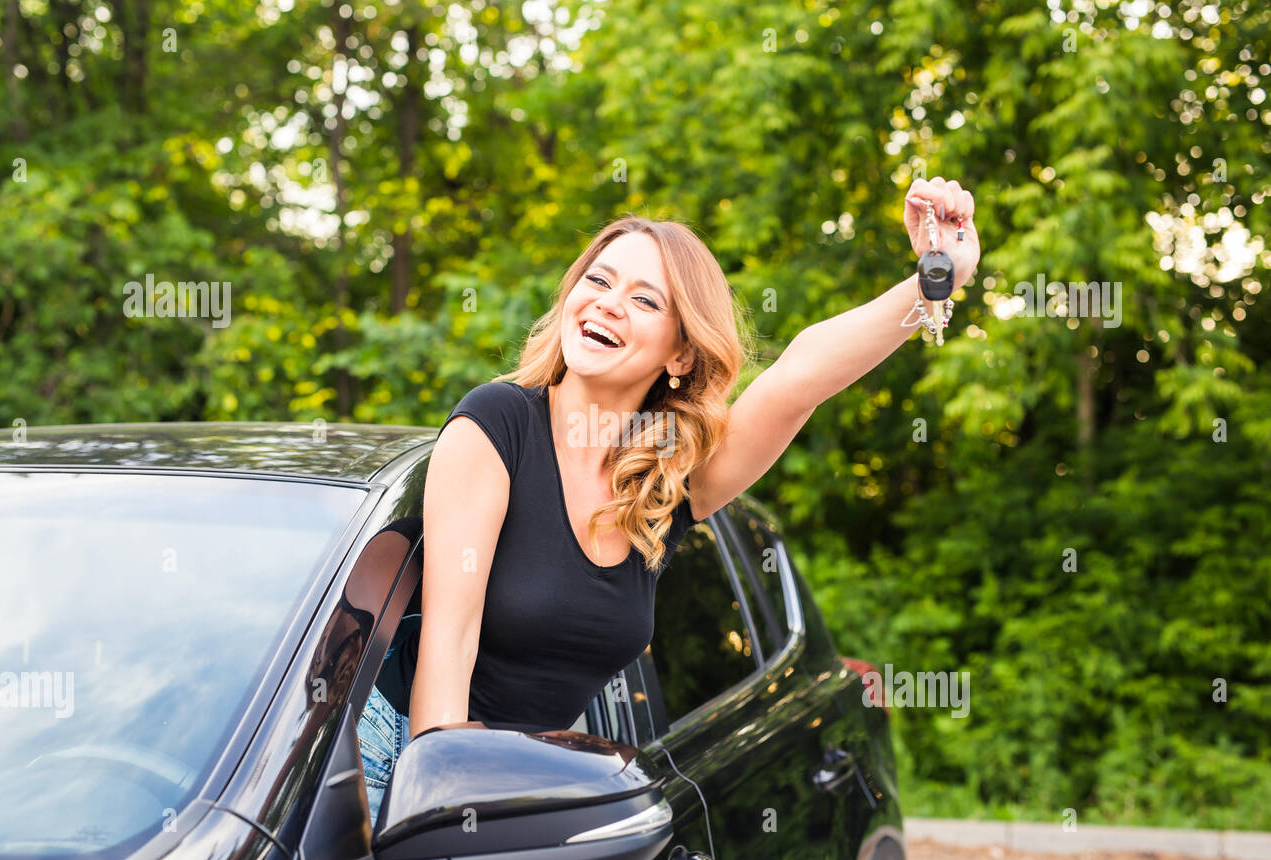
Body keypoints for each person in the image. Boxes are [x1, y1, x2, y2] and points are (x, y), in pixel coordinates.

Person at [357, 179, 980, 827]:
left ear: (681, 352)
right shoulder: (496, 425)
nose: (607, 305)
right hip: (404, 768)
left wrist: (937, 278)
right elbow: (447, 648)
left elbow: (801, 377)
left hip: (514, 786)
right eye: (596, 282)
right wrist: (436, 823)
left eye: (644, 299)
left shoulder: (667, 482)